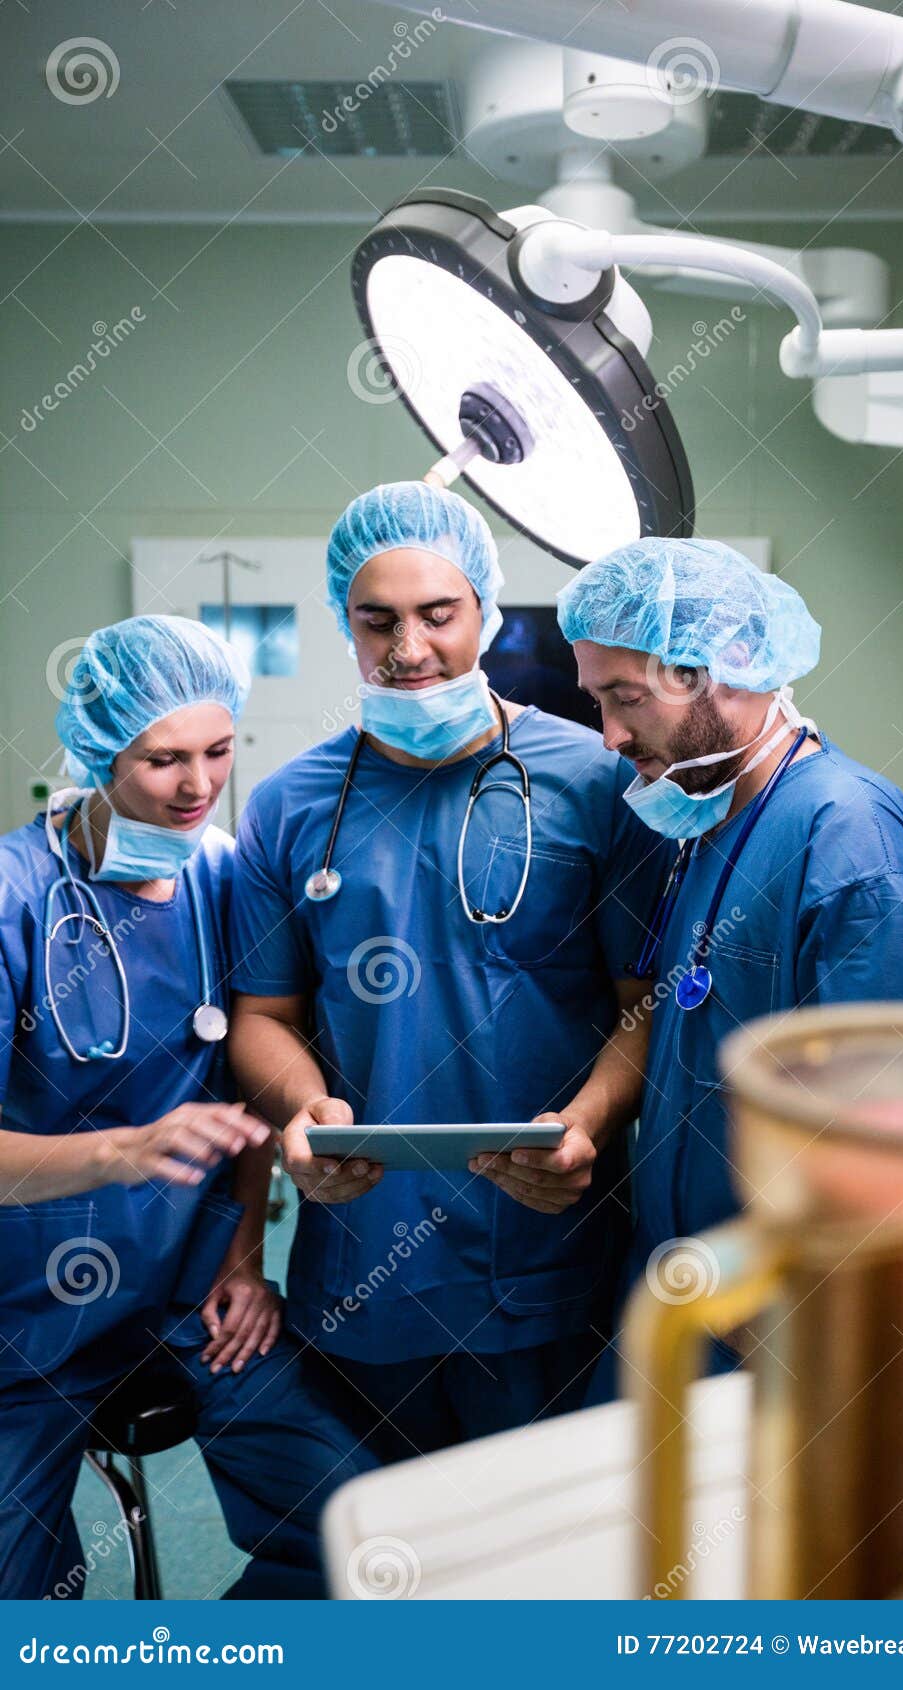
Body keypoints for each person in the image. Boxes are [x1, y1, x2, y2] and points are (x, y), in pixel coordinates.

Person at [227, 482, 671, 1462]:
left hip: (543, 1253)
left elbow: (644, 1004)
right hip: (359, 1259)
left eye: (438, 614)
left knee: (538, 1562)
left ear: (486, 612)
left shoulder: (594, 783)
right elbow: (262, 1011)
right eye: (375, 619)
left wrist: (586, 1123)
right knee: (380, 1560)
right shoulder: (288, 803)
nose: (408, 647)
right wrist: (304, 1109)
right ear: (346, 621)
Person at [0, 615, 369, 1601]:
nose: (198, 784)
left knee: (365, 1528)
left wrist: (245, 1252)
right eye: (163, 758)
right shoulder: (15, 897)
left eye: (217, 751)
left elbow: (249, 1082)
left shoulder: (225, 878)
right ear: (96, 747)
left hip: (193, 1300)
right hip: (25, 1321)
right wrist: (121, 1152)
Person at [557, 538, 903, 1331]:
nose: (607, 736)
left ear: (725, 664)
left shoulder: (851, 841)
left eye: (626, 699)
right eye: (596, 702)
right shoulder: (705, 821)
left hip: (783, 1319)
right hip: (682, 1292)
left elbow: (885, 1145)